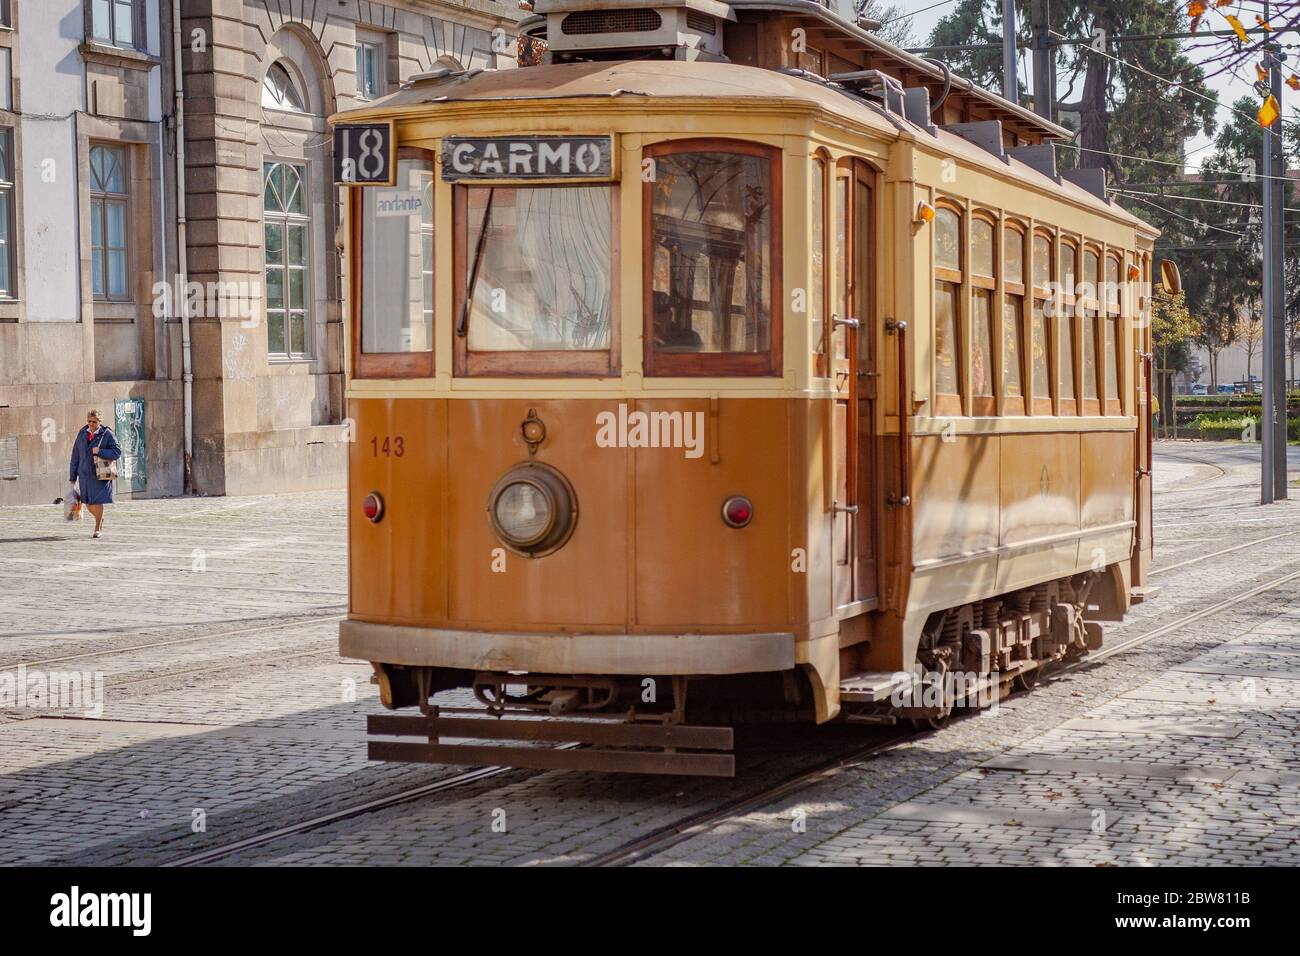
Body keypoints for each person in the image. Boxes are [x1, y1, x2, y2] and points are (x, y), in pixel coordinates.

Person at [69, 408, 121, 538]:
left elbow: (117, 452)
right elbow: (75, 455)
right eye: (89, 421)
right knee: (88, 503)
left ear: (99, 421)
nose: (91, 424)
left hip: (100, 474)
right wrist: (72, 476)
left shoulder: (107, 434)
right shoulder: (82, 433)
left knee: (97, 501)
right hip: (84, 474)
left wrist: (100, 451)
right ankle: (100, 518)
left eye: (94, 422)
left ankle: (98, 527)